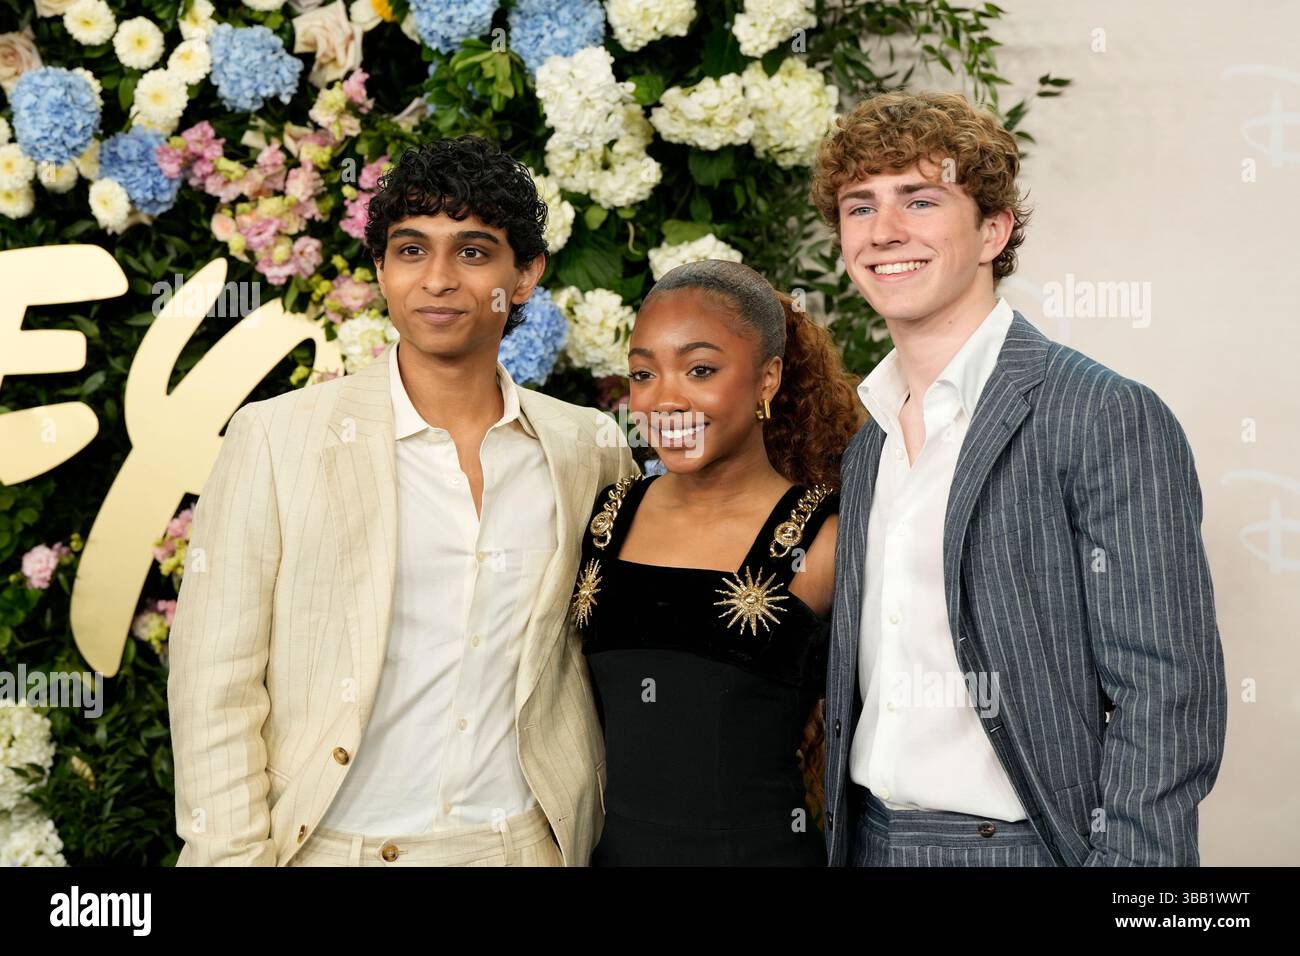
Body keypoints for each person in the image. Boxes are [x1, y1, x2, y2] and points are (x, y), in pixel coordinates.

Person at [168, 135, 635, 866]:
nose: (439, 279)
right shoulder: (276, 439)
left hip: (519, 848)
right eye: (412, 251)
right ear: (382, 269)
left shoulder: (589, 449)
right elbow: (213, 685)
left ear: (526, 274)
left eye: (474, 252)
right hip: (331, 849)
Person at [812, 91, 1227, 866]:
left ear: (993, 231)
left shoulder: (1101, 412)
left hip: (1022, 848)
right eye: (858, 207)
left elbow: (1167, 694)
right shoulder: (868, 441)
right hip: (866, 842)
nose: (884, 232)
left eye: (921, 200)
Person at [569, 259, 863, 865]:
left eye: (700, 369)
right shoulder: (607, 517)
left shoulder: (825, 537)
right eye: (644, 373)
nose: (665, 399)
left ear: (767, 379)